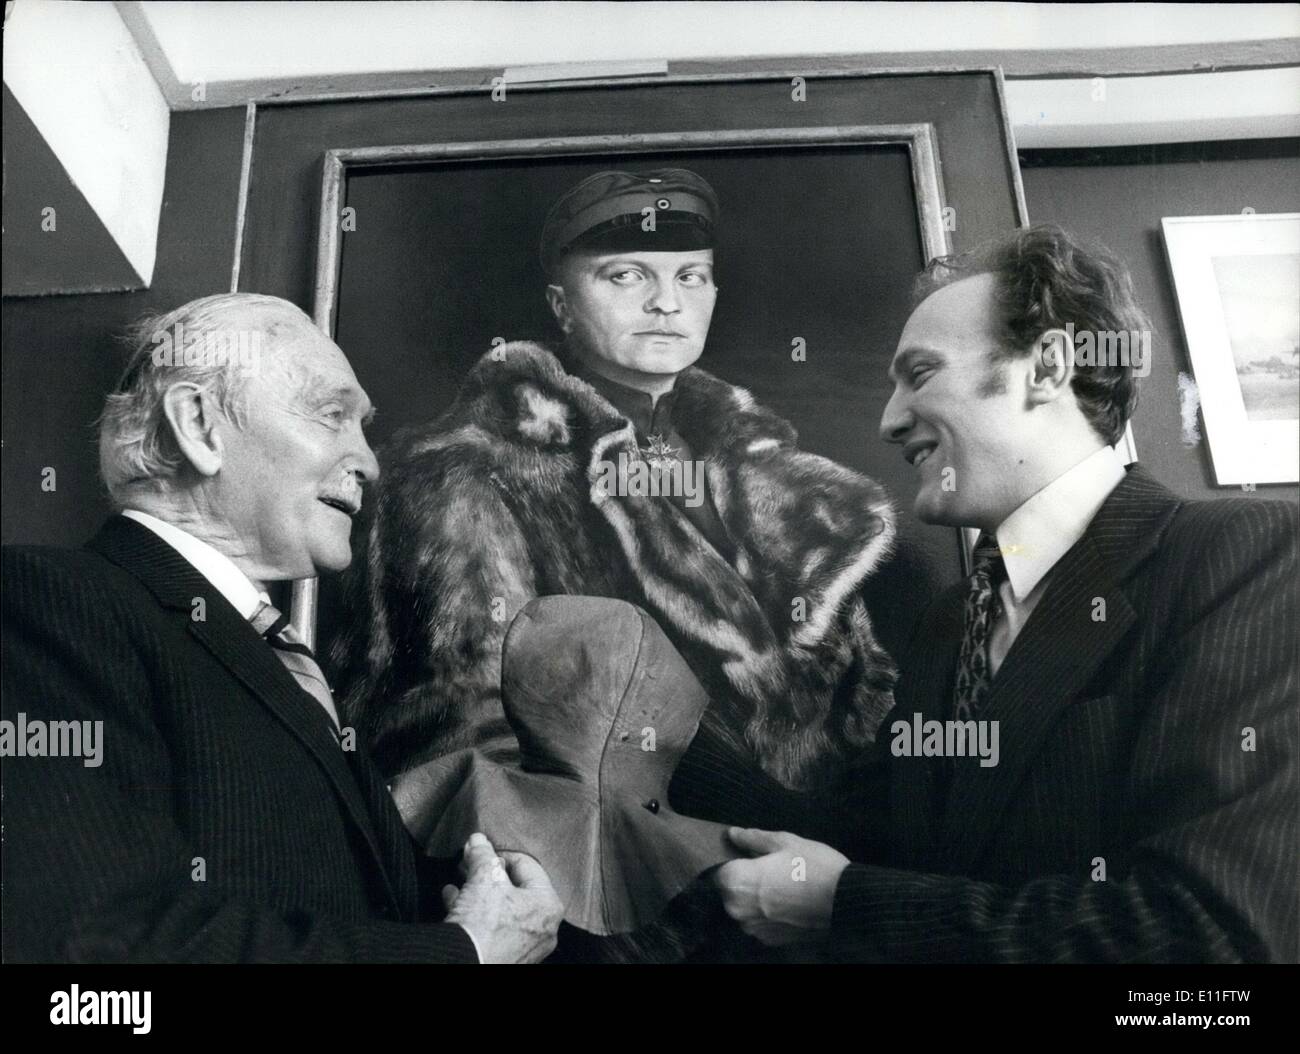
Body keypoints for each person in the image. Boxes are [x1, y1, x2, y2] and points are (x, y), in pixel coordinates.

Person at [713, 224, 1298, 963]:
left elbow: (1218, 940)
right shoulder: (948, 625)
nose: (888, 420)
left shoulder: (1244, 555)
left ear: (1047, 366)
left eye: (919, 374)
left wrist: (849, 907)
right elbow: (867, 831)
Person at [0, 292, 562, 963]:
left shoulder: (280, 659)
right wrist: (464, 952)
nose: (370, 460)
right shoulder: (45, 602)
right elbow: (89, 957)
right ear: (199, 425)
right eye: (333, 415)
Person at [332, 168, 898, 814]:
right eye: (627, 275)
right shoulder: (462, 468)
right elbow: (465, 742)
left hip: (805, 880)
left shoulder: (761, 469)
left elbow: (850, 712)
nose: (666, 302)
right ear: (559, 305)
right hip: (625, 884)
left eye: (691, 276)